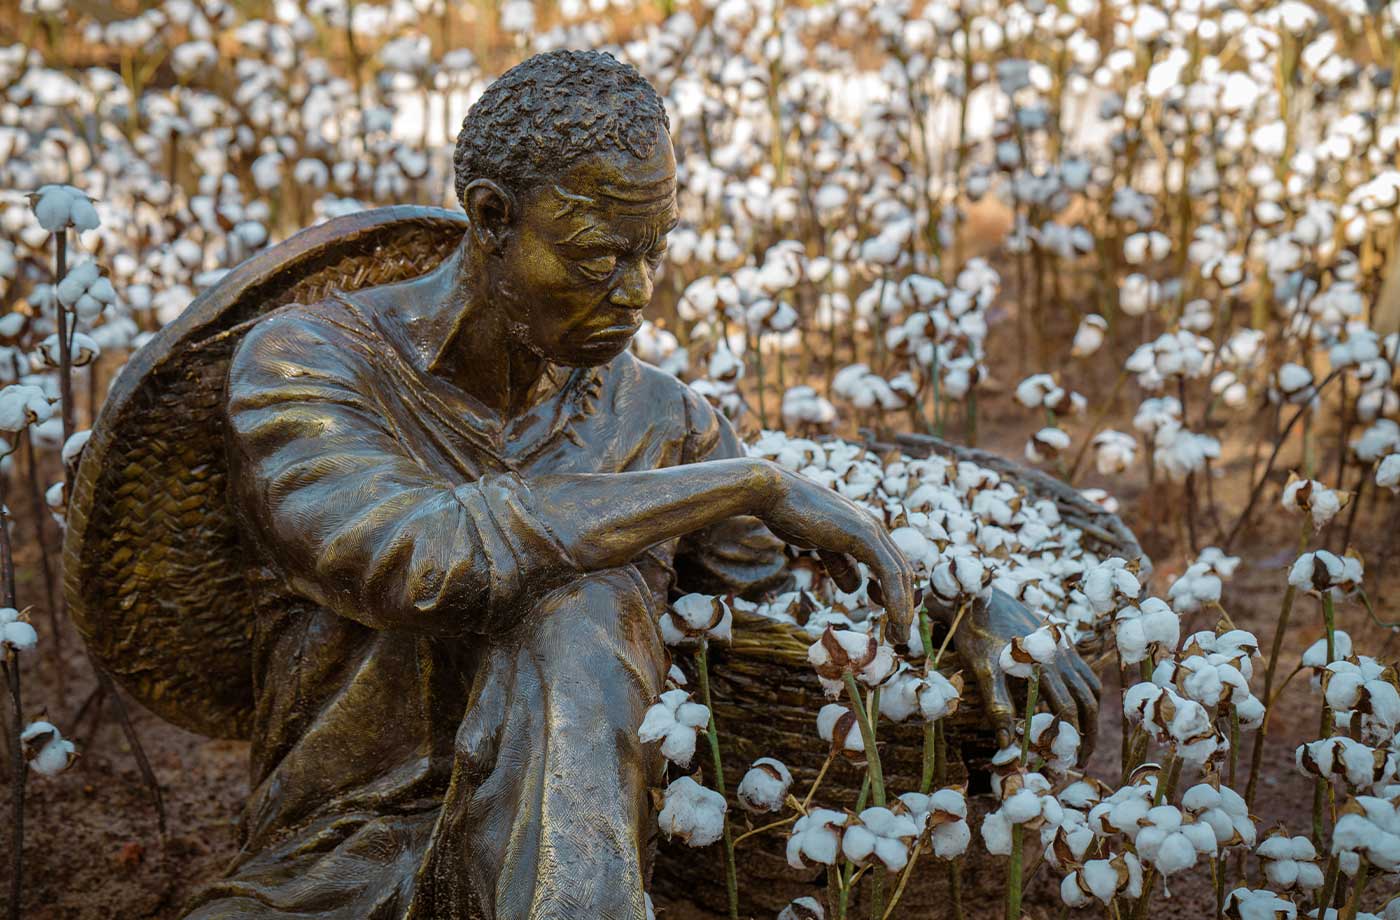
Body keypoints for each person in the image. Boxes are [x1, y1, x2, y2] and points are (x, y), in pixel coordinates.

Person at [183, 49, 1098, 920]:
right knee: (575, 587)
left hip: (582, 860)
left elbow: (784, 605)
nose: (636, 293)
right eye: (595, 258)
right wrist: (740, 487)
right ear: (493, 218)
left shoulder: (662, 423)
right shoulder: (309, 365)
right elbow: (415, 557)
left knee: (583, 608)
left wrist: (960, 607)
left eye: (651, 251)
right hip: (352, 856)